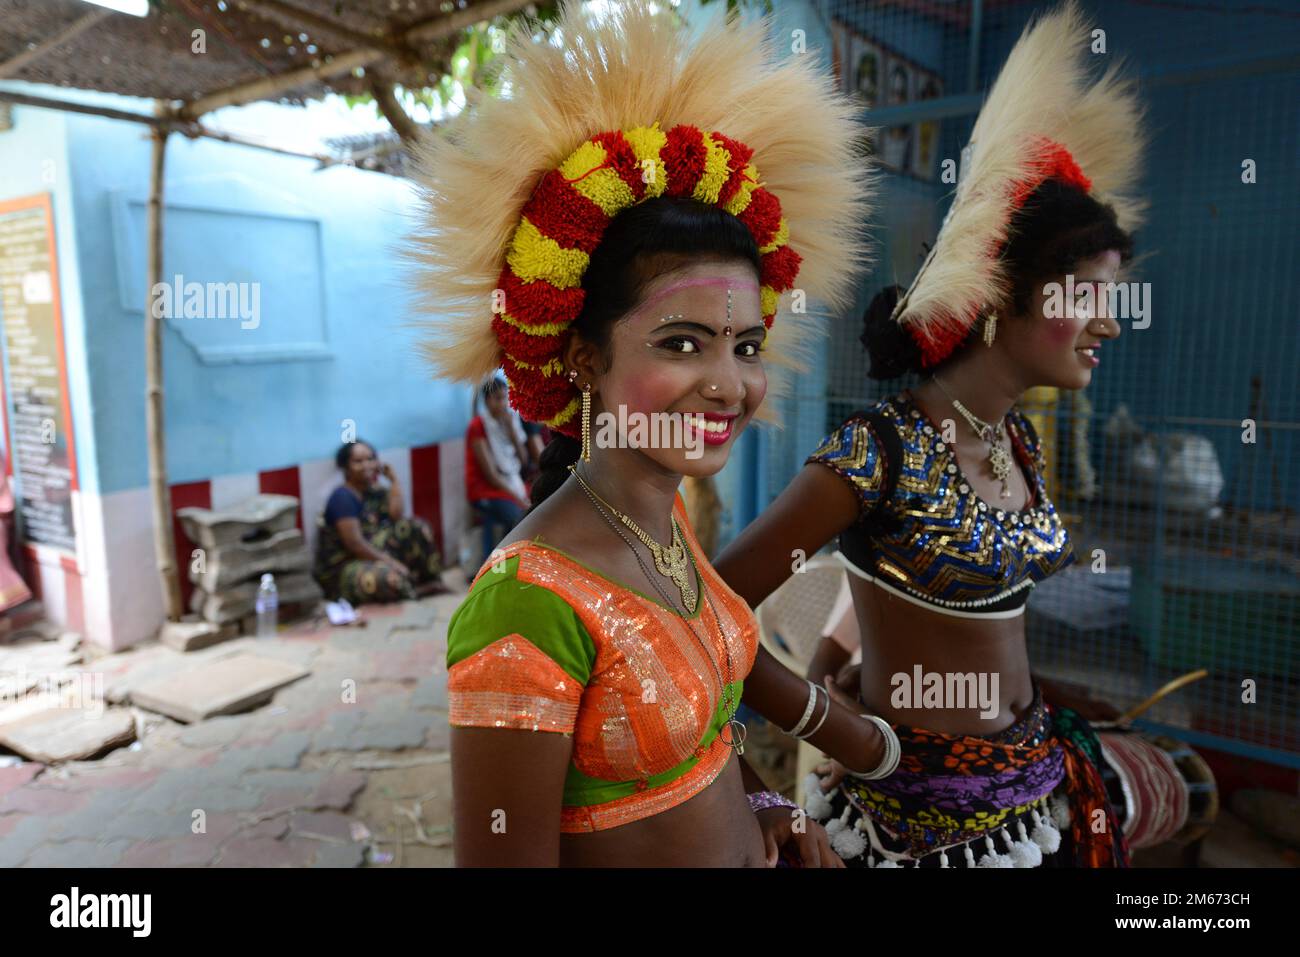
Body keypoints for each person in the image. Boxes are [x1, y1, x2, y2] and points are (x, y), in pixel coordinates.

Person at [410, 0, 889, 866]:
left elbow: (700, 741)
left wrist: (768, 806)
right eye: (681, 343)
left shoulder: (665, 531)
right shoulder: (524, 604)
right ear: (585, 358)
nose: (729, 382)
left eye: (746, 346)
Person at [714, 1, 1143, 868]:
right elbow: (708, 611)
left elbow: (912, 598)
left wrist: (839, 654)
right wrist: (828, 723)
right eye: (1087, 297)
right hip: (911, 831)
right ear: (1000, 297)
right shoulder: (878, 450)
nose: (1110, 324)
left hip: (1033, 797)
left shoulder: (1017, 440)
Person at [313, 440, 444, 605]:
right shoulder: (342, 497)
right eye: (358, 462)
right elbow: (355, 545)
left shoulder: (374, 491)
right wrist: (391, 563)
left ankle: (428, 580)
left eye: (370, 459)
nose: (366, 465)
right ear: (346, 467)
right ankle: (417, 590)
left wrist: (394, 480)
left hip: (374, 554)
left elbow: (397, 516)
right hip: (345, 567)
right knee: (389, 578)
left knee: (417, 527)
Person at [465, 377, 532, 558]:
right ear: (487, 401)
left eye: (505, 398)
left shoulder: (509, 421)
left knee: (539, 505)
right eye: (497, 398)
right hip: (485, 488)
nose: (503, 404)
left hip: (510, 482)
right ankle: (500, 565)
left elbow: (524, 461)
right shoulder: (478, 426)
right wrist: (518, 498)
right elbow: (491, 475)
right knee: (516, 515)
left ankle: (516, 561)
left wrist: (511, 432)